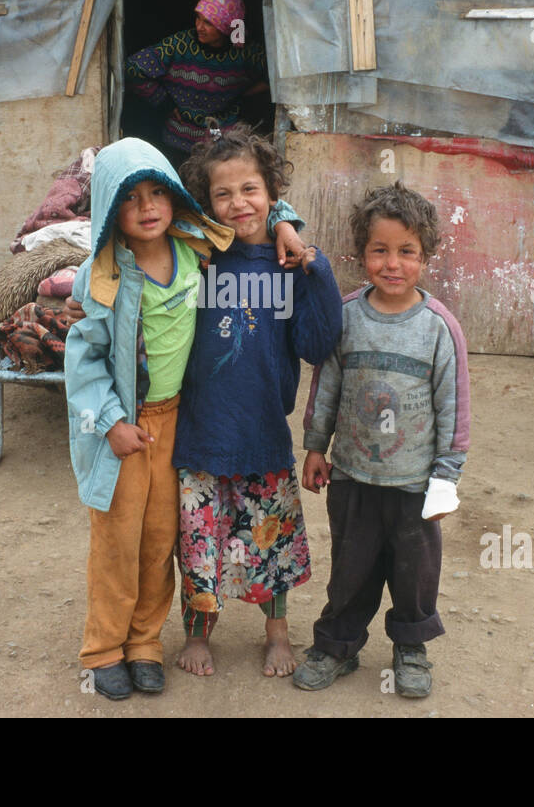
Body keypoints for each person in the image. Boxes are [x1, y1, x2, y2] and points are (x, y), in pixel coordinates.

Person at [62, 137, 302, 700]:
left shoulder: (195, 247)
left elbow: (251, 210)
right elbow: (83, 359)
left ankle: (145, 643)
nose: (147, 208)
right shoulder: (101, 278)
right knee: (118, 540)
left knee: (162, 537)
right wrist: (111, 421)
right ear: (108, 212)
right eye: (130, 199)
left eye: (156, 194)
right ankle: (103, 650)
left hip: (180, 425)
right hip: (125, 429)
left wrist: (288, 223)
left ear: (174, 198)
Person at [172, 125, 342, 679]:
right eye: (223, 193)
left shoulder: (290, 264)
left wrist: (313, 265)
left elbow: (318, 344)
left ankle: (277, 635)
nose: (237, 202)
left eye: (251, 189)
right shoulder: (195, 254)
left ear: (271, 194)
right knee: (200, 544)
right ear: (206, 202)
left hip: (263, 430)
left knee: (266, 539)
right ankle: (200, 634)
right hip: (201, 431)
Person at [293, 180, 470, 699]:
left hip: (415, 482)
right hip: (352, 473)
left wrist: (446, 476)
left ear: (426, 255)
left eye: (406, 251)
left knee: (414, 572)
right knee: (350, 568)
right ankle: (336, 645)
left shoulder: (439, 329)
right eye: (380, 250)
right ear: (362, 253)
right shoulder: (346, 317)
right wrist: (315, 447)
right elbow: (325, 387)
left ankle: (411, 647)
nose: (393, 264)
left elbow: (453, 406)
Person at [125, 0, 269, 167]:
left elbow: (276, 76)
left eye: (208, 23)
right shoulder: (180, 44)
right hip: (178, 139)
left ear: (225, 27)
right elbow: (134, 67)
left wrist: (243, 93)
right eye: (198, 18)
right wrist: (163, 101)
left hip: (222, 139)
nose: (199, 27)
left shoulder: (245, 52)